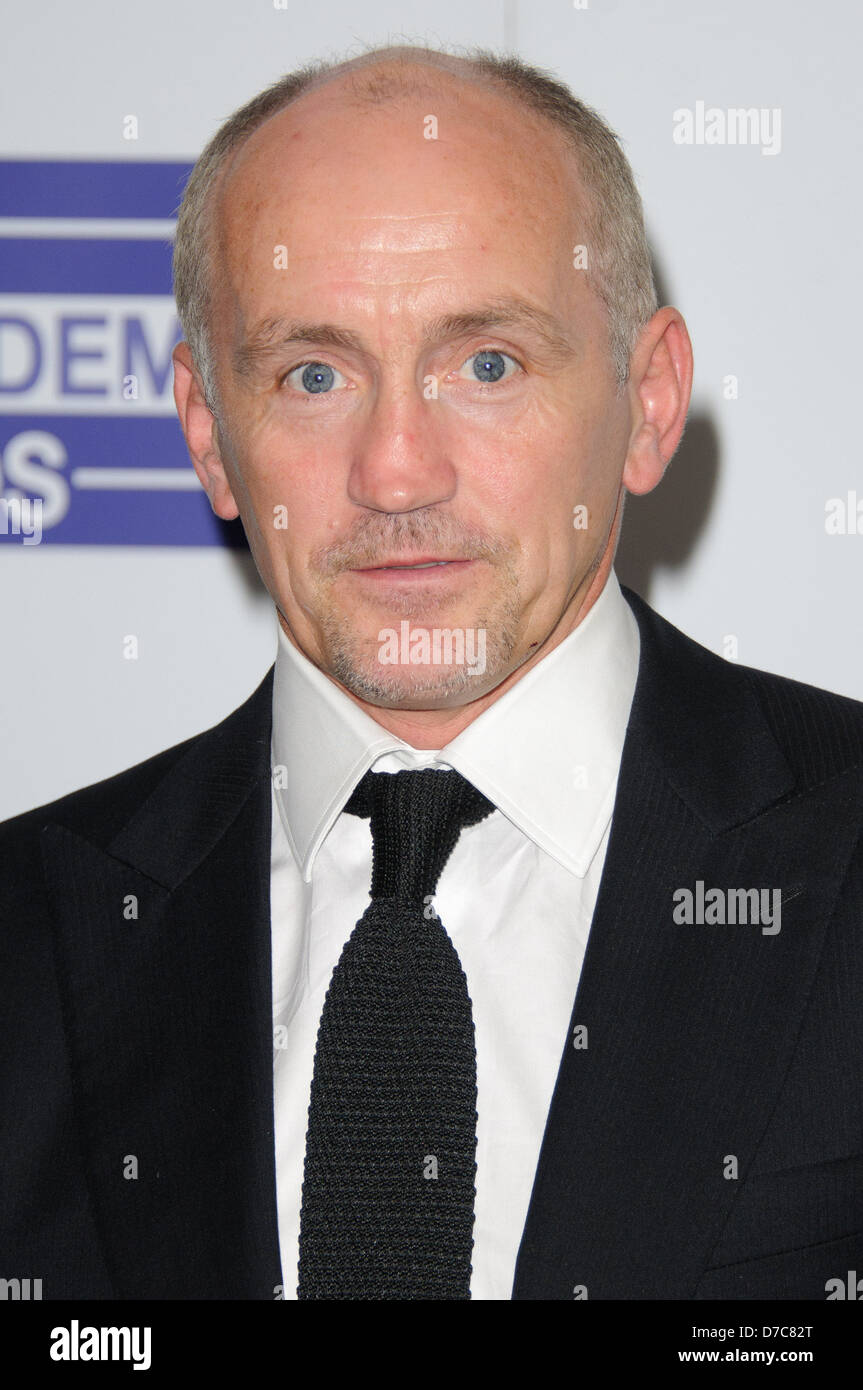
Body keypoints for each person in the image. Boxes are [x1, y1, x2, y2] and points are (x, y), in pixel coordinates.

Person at [2, 41, 861, 1302]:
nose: (395, 471)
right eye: (312, 374)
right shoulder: (27, 941)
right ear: (208, 438)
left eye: (487, 364)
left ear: (647, 398)